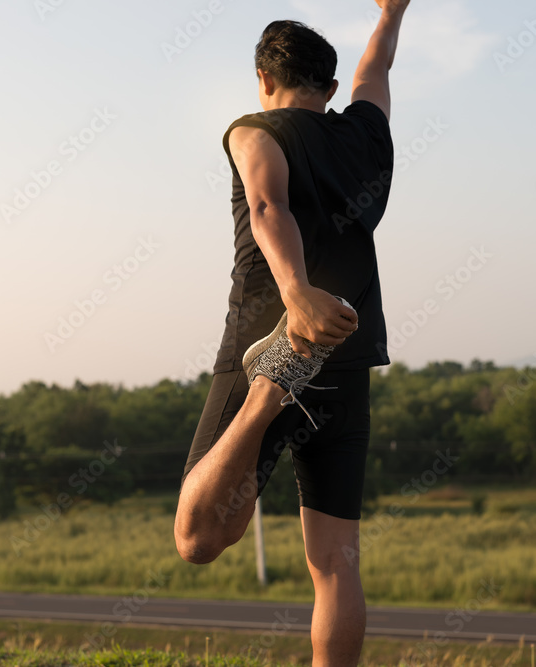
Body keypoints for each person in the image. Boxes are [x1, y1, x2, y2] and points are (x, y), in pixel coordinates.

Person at [174, 1, 410, 664]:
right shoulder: (363, 133)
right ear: (329, 90)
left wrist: (296, 294)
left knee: (196, 539)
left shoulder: (254, 129)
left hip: (267, 344)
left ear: (262, 78)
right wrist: (391, 14)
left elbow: (266, 204)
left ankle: (264, 395)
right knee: (335, 562)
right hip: (349, 353)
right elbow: (376, 68)